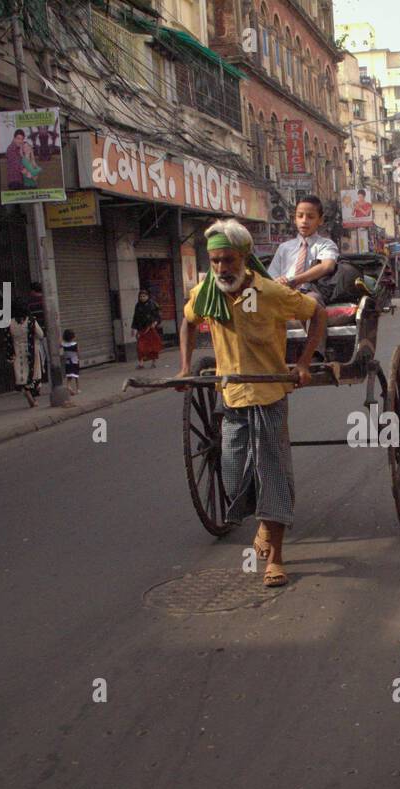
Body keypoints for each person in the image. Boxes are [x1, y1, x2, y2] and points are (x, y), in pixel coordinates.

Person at [179, 218, 326, 588]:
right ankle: (262, 521)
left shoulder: (269, 292)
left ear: (244, 258)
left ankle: (276, 558)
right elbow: (186, 321)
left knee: (272, 474)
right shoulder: (206, 294)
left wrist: (304, 363)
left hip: (270, 397)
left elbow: (317, 313)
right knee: (232, 477)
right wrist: (184, 368)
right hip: (232, 398)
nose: (221, 269)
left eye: (227, 260)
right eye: (214, 262)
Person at [268, 196, 338, 307]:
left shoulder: (326, 245)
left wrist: (294, 281)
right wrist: (279, 281)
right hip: (284, 294)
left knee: (312, 301)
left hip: (309, 293)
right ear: (294, 219)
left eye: (310, 217)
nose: (304, 221)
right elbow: (270, 277)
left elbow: (327, 266)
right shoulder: (284, 248)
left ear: (320, 220)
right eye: (300, 216)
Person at [5, 298, 46, 407]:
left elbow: (8, 339)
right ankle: (33, 394)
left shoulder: (10, 323)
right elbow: (41, 334)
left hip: (17, 353)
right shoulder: (30, 320)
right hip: (31, 353)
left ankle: (27, 392)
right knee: (33, 375)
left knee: (22, 375)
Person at [132, 289, 163, 369]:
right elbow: (135, 317)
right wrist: (134, 328)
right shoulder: (138, 305)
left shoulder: (153, 305)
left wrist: (155, 322)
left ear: (147, 296)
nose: (142, 298)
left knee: (153, 346)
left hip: (150, 329)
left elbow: (158, 316)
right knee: (140, 347)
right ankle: (141, 363)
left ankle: (153, 362)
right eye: (141, 296)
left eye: (144, 296)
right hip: (141, 329)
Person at [61, 329, 80, 395]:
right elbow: (77, 352)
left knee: (69, 375)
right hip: (74, 361)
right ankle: (78, 389)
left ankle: (68, 385)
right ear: (73, 337)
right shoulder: (75, 344)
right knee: (76, 375)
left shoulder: (63, 344)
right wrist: (79, 358)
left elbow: (60, 345)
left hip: (67, 362)